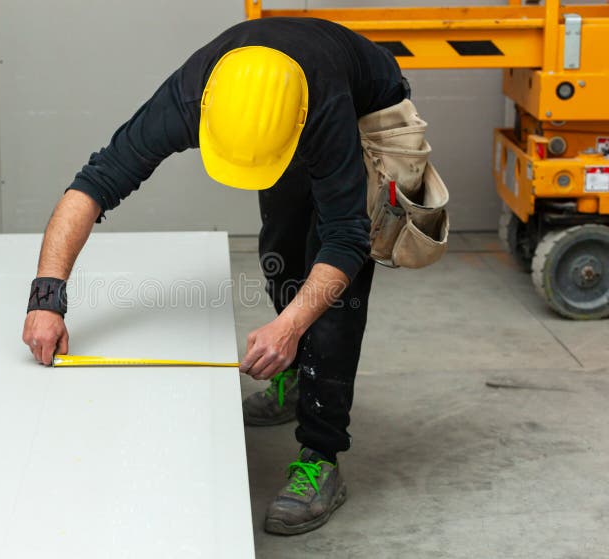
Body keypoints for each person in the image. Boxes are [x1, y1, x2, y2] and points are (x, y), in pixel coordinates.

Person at [22, 17, 410, 535]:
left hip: (363, 108)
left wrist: (291, 327)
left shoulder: (323, 108)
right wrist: (46, 298)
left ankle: (321, 456)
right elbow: (91, 187)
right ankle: (294, 377)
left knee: (338, 300)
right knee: (282, 249)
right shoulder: (188, 95)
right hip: (289, 106)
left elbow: (346, 239)